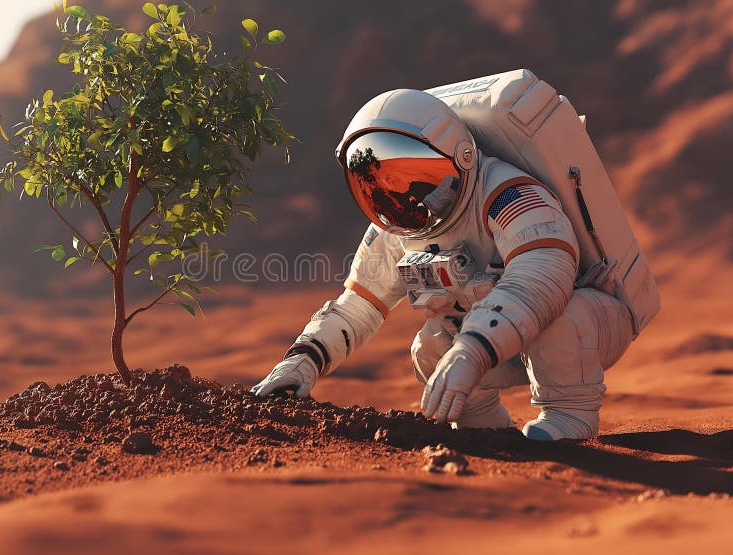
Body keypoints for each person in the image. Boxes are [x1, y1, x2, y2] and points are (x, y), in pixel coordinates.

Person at [251, 88, 635, 441]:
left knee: (564, 322)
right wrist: (303, 360)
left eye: (419, 179)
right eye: (378, 185)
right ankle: (481, 423)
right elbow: (358, 306)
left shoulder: (506, 194)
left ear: (462, 157)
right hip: (494, 343)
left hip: (590, 326)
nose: (400, 197)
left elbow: (542, 277)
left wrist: (471, 351)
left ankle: (569, 414)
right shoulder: (395, 228)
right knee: (430, 346)